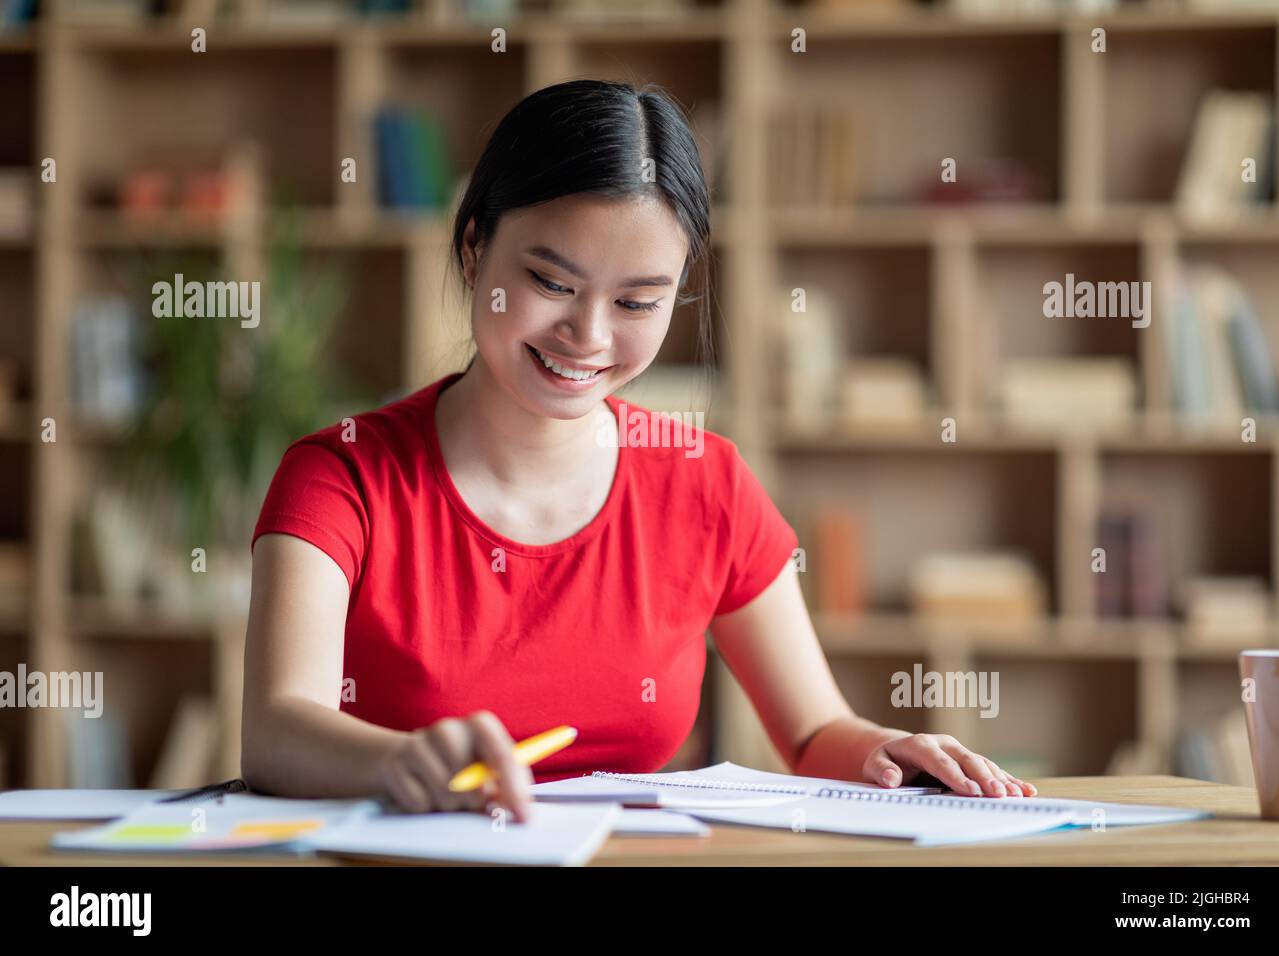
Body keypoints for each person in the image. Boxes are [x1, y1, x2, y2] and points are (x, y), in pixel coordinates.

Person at [241, 79, 1036, 821]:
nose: (587, 336)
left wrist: (883, 751)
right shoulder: (340, 476)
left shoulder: (706, 483)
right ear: (474, 249)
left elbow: (812, 732)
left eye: (636, 302)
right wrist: (399, 765)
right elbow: (277, 729)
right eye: (552, 283)